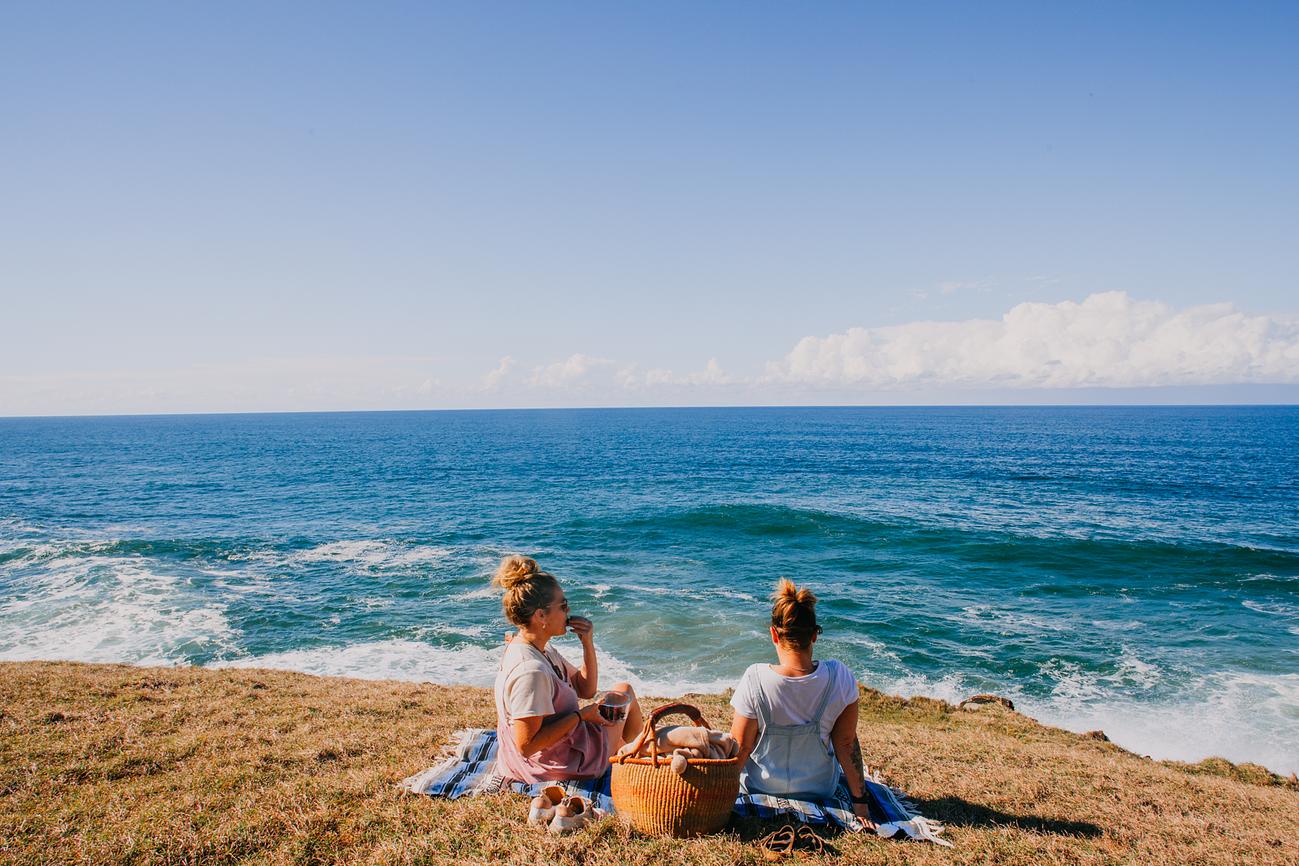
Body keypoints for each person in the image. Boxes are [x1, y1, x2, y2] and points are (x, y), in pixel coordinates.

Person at [729, 579, 876, 828]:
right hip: (820, 789)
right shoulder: (840, 677)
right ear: (815, 635)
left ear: (774, 634)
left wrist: (721, 798)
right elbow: (846, 743)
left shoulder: (754, 678)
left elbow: (740, 748)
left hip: (762, 786)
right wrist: (860, 804)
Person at [491, 555, 643, 782]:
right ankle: (636, 762)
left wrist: (587, 642)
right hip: (557, 764)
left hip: (555, 750)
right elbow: (526, 746)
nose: (568, 610)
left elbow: (586, 689)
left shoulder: (537, 647)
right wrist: (581, 716)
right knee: (626, 695)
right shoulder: (531, 671)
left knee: (623, 690)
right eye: (562, 606)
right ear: (541, 615)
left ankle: (628, 752)